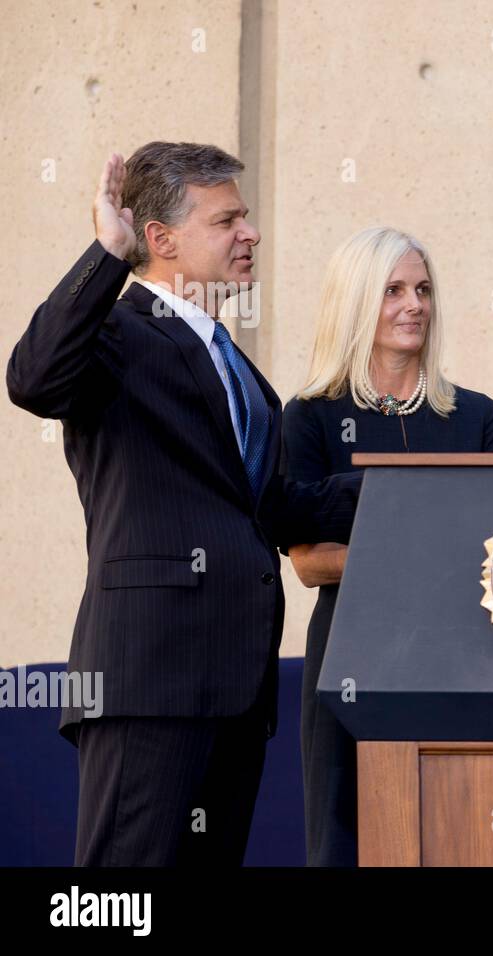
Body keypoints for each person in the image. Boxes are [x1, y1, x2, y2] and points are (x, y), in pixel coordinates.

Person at [6, 143, 361, 866]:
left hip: (233, 689)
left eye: (247, 217)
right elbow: (34, 377)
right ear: (160, 240)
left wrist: (421, 486)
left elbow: (271, 508)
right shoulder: (116, 332)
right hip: (150, 681)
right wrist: (107, 254)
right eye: (227, 219)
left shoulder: (237, 368)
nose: (249, 233)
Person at [284, 226, 493, 866]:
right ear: (356, 302)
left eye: (423, 289)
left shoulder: (478, 417)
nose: (414, 305)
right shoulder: (310, 416)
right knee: (346, 841)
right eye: (393, 290)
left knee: (462, 835)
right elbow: (306, 564)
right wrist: (418, 562)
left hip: (468, 652)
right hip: (353, 654)